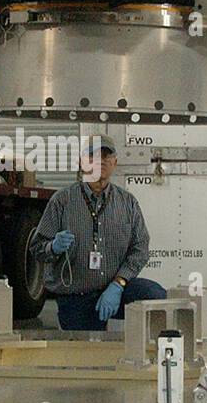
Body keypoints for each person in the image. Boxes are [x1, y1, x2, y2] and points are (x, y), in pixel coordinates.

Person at [30, 134, 165, 330]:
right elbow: (36, 248)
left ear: (115, 162)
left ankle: (156, 351)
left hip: (114, 289)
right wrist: (53, 247)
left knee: (155, 294)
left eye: (106, 156)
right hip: (76, 297)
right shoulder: (62, 201)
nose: (100, 161)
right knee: (85, 354)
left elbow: (140, 248)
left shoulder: (127, 203)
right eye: (92, 155)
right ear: (81, 161)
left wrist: (118, 284)